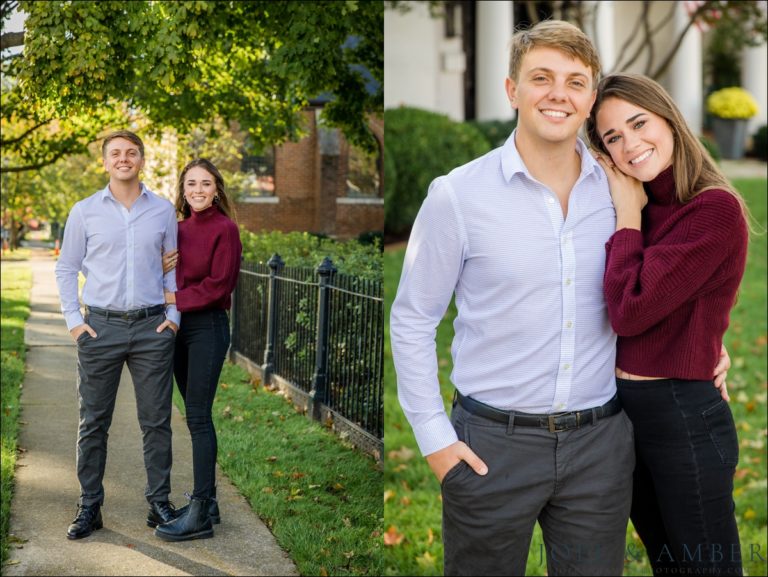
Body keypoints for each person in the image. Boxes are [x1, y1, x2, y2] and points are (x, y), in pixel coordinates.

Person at [389, 20, 731, 576]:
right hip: (490, 445)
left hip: (601, 446)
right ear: (511, 90)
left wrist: (707, 344)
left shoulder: (625, 190)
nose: (558, 94)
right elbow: (412, 319)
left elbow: (674, 279)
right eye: (541, 77)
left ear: (591, 97)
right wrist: (434, 440)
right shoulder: (458, 195)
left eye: (575, 82)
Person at [586, 73, 749, 576]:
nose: (630, 144)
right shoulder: (637, 204)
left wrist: (628, 219)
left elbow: (630, 310)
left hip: (683, 418)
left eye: (639, 124)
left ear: (670, 121)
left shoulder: (712, 209)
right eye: (613, 137)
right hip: (625, 418)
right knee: (669, 567)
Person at [55, 130, 181, 540]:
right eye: (115, 154)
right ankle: (90, 505)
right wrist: (75, 321)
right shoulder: (85, 211)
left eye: (131, 153)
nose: (123, 159)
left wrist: (174, 315)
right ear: (105, 162)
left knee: (157, 421)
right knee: (93, 422)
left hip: (151, 328)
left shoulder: (162, 211)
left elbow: (171, 268)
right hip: (100, 328)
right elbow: (66, 267)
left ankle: (159, 503)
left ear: (141, 160)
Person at [153, 158, 242, 542]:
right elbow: (161, 274)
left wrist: (174, 295)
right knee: (194, 417)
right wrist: (159, 266)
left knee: (199, 418)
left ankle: (201, 511)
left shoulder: (226, 229)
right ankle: (211, 503)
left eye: (206, 183)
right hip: (177, 328)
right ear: (183, 189)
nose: (199, 190)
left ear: (217, 189)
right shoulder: (176, 229)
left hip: (207, 328)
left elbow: (220, 286)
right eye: (192, 183)